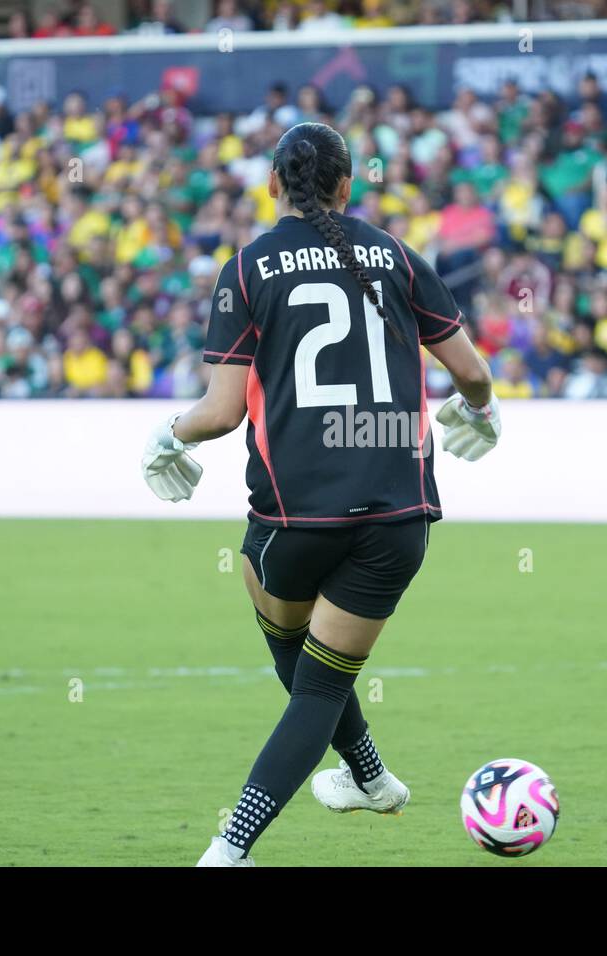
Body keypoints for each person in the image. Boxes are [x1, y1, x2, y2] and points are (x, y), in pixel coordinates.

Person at [137, 123, 499, 866]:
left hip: (294, 514)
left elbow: (222, 411)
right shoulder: (395, 255)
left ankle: (228, 849)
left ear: (273, 183)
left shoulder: (248, 268)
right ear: (347, 186)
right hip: (398, 512)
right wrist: (481, 410)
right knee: (323, 680)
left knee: (299, 664)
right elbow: (473, 372)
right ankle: (367, 777)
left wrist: (167, 436)